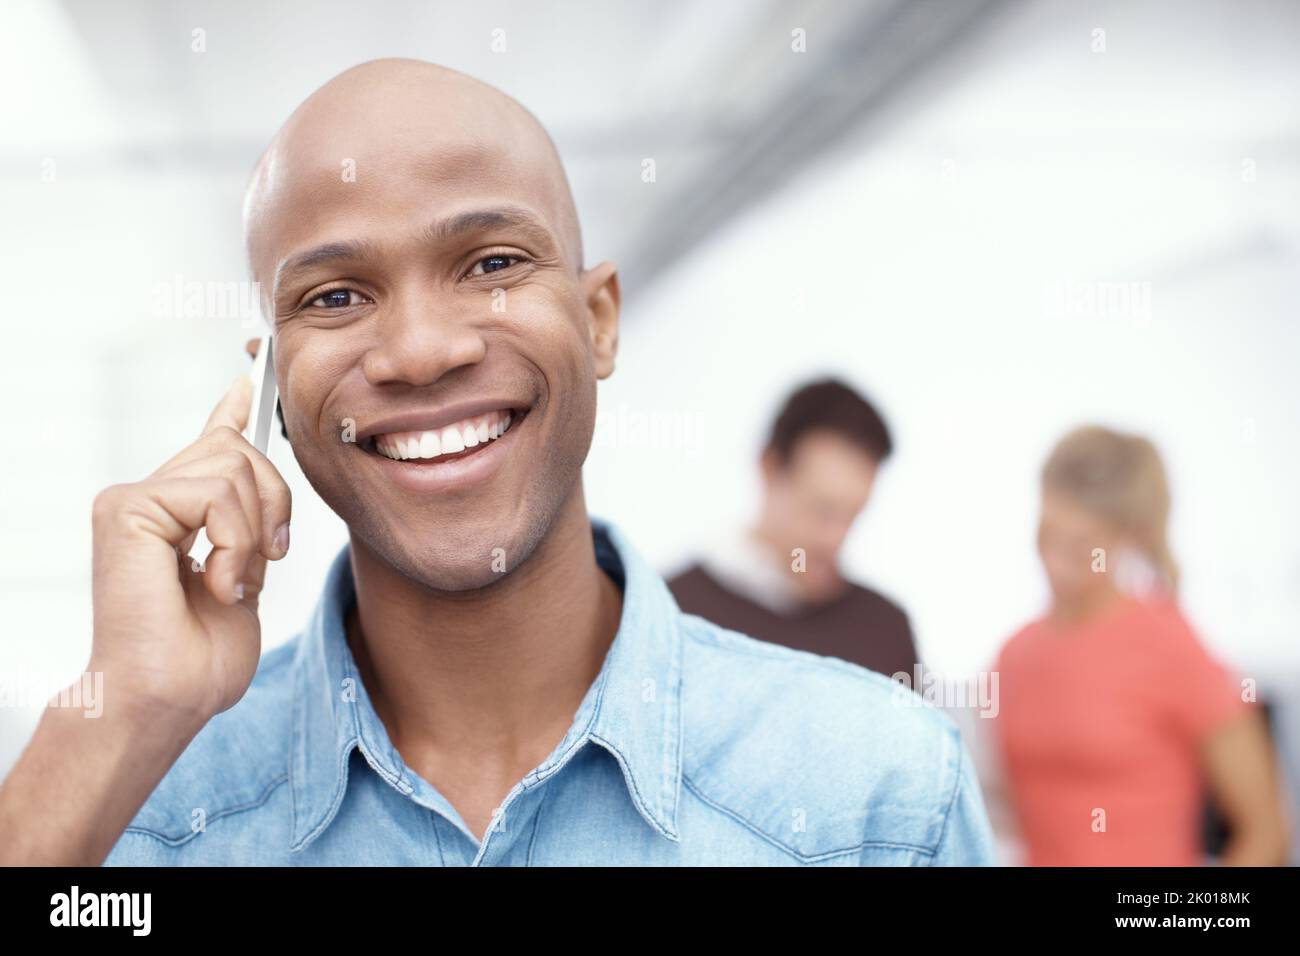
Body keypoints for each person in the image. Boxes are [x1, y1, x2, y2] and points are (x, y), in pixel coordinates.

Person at [0, 59, 995, 866]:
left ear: (599, 319)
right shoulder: (137, 810)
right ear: (272, 392)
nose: (423, 351)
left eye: (492, 263)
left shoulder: (880, 792)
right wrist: (116, 715)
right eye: (336, 296)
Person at [990, 425, 1290, 866]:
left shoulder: (1171, 646)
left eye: (1079, 547)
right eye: (1048, 535)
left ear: (1127, 538)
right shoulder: (1013, 654)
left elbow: (1268, 831)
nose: (1056, 564)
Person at [669, 378, 918, 679]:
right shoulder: (671, 613)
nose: (835, 538)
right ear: (769, 468)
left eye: (853, 515)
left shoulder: (884, 629)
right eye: (823, 511)